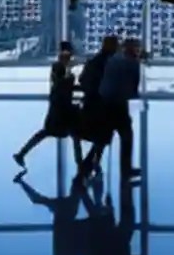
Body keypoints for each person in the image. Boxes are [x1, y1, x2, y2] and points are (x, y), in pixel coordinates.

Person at [14, 41, 83, 169]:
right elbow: (64, 84)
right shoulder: (61, 67)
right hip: (63, 107)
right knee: (74, 134)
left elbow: (62, 85)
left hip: (59, 105)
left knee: (48, 132)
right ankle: (80, 163)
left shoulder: (59, 67)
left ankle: (22, 153)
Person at [94, 37, 143, 181]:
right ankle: (126, 169)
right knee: (127, 137)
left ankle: (93, 162)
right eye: (137, 48)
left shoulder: (113, 60)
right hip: (119, 105)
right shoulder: (132, 63)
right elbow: (132, 89)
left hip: (106, 102)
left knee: (103, 136)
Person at [75, 36, 119, 178]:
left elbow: (82, 80)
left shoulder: (93, 61)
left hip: (90, 102)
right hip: (104, 105)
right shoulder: (112, 63)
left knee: (96, 135)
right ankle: (92, 162)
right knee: (103, 136)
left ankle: (88, 163)